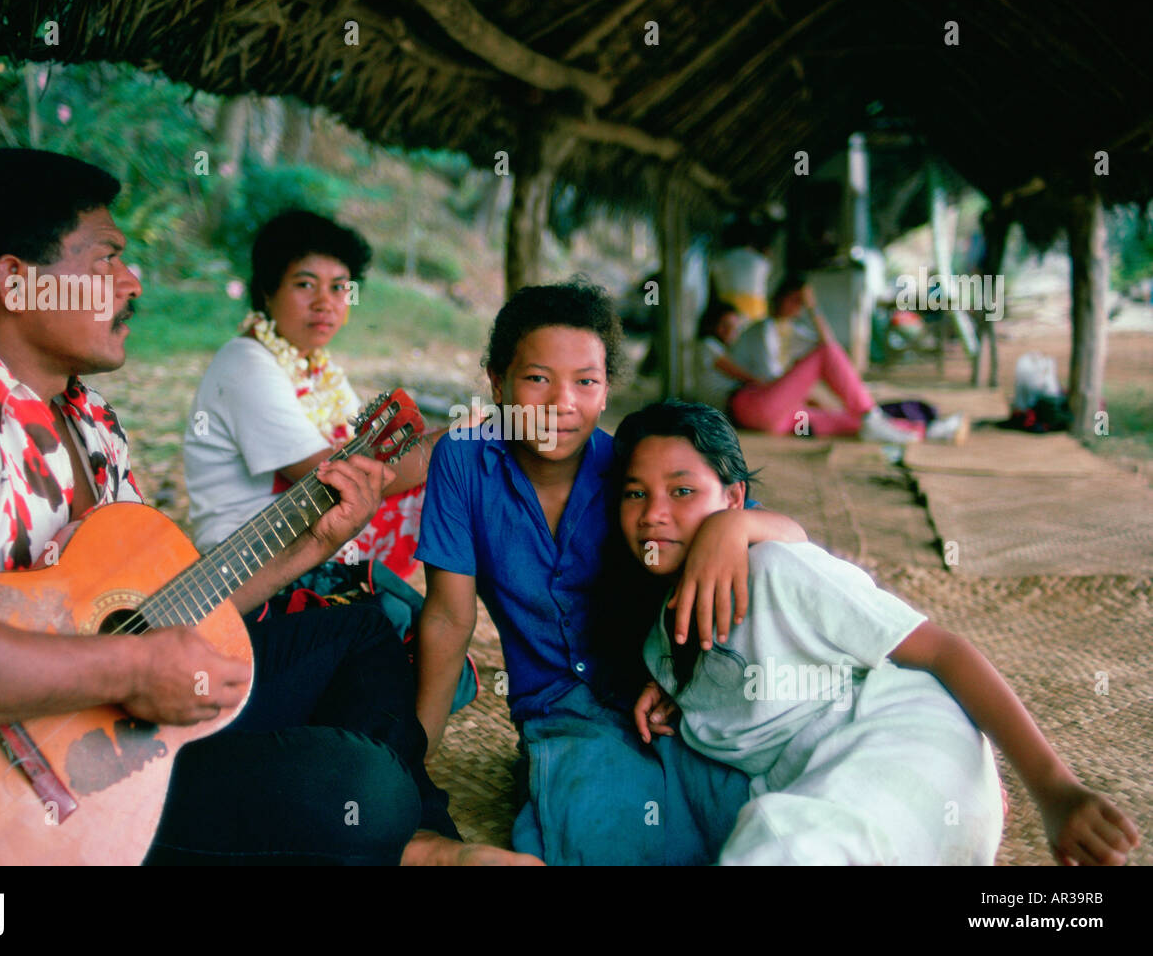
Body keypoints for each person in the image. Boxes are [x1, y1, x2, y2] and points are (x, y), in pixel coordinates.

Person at [0, 149, 532, 866]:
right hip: (47, 797)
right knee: (359, 791)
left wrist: (310, 547)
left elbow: (161, 607)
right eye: (106, 260)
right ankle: (399, 840)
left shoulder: (91, 422)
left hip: (128, 722)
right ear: (16, 281)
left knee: (360, 634)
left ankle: (420, 838)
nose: (133, 280)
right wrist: (129, 672)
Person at [610, 399, 1141, 864]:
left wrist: (1055, 792)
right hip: (830, 786)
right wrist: (684, 696)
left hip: (904, 740)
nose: (654, 514)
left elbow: (944, 651)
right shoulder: (661, 645)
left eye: (681, 490)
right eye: (635, 494)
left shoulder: (777, 571)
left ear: (732, 499)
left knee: (786, 845)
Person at [414, 280, 808, 865]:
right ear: (498, 382)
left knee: (740, 819)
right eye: (537, 379)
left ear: (605, 393)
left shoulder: (633, 469)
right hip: (559, 711)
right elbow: (448, 619)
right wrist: (413, 759)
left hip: (665, 695)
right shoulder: (465, 461)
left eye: (586, 382)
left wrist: (734, 527)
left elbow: (791, 538)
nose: (561, 403)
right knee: (601, 831)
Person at [184, 209, 438, 579]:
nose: (325, 303)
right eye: (305, 285)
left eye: (338, 288)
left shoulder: (317, 368)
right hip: (248, 569)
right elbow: (341, 477)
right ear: (268, 291)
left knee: (461, 482)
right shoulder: (246, 363)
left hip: (311, 542)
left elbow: (366, 452)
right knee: (454, 476)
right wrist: (440, 449)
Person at [713, 275, 965, 443]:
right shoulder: (761, 330)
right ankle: (871, 414)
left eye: (802, 303)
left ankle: (930, 431)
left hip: (781, 420)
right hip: (751, 407)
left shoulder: (793, 331)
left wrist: (814, 310)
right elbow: (769, 377)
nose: (797, 307)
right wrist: (799, 387)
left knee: (846, 422)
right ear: (781, 298)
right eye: (795, 301)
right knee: (826, 361)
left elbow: (829, 345)